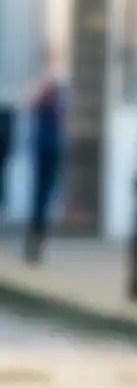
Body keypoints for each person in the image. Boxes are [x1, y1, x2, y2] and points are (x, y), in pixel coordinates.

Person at [25, 50, 66, 264]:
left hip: (52, 144)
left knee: (46, 194)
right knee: (40, 196)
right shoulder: (41, 85)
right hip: (44, 144)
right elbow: (33, 104)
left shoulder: (60, 82)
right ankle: (34, 244)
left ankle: (38, 243)